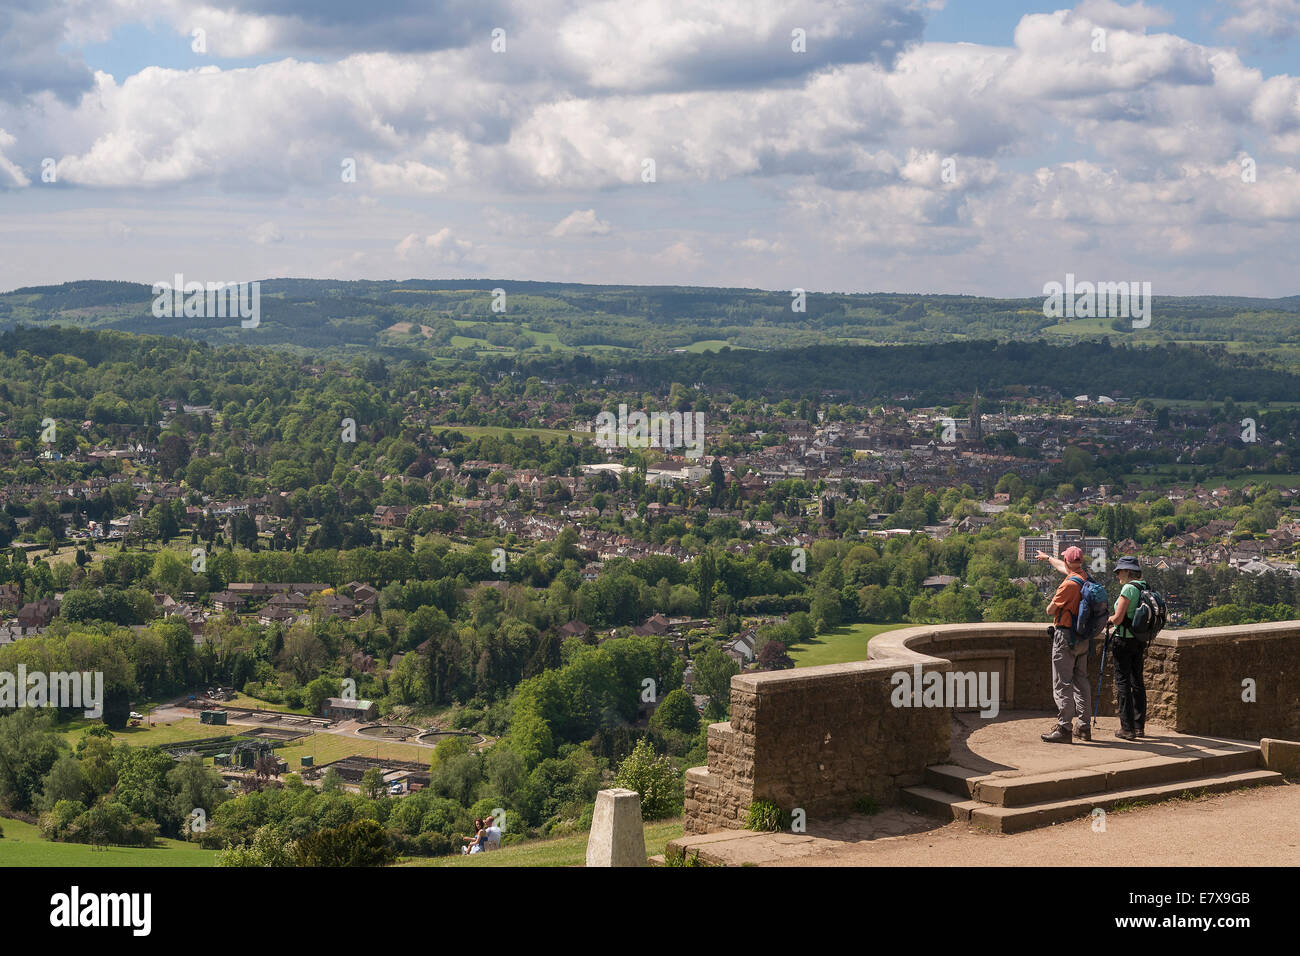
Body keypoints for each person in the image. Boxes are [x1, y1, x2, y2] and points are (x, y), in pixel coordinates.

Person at [1036, 545, 1093, 743]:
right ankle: (1084, 727)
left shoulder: (1068, 585)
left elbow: (1050, 610)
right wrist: (1048, 558)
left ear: (1069, 561)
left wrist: (1052, 603)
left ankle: (1064, 728)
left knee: (1062, 683)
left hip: (1065, 637)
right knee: (1081, 682)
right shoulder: (1085, 577)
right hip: (1083, 638)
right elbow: (1063, 567)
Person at [1107, 556, 1148, 740]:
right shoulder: (1145, 586)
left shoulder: (1129, 588)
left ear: (1127, 571)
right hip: (1139, 640)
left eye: (1119, 572)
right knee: (1137, 682)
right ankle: (1139, 726)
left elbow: (1118, 618)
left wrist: (1106, 620)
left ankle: (1127, 728)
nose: (1117, 575)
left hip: (1123, 640)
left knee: (1123, 683)